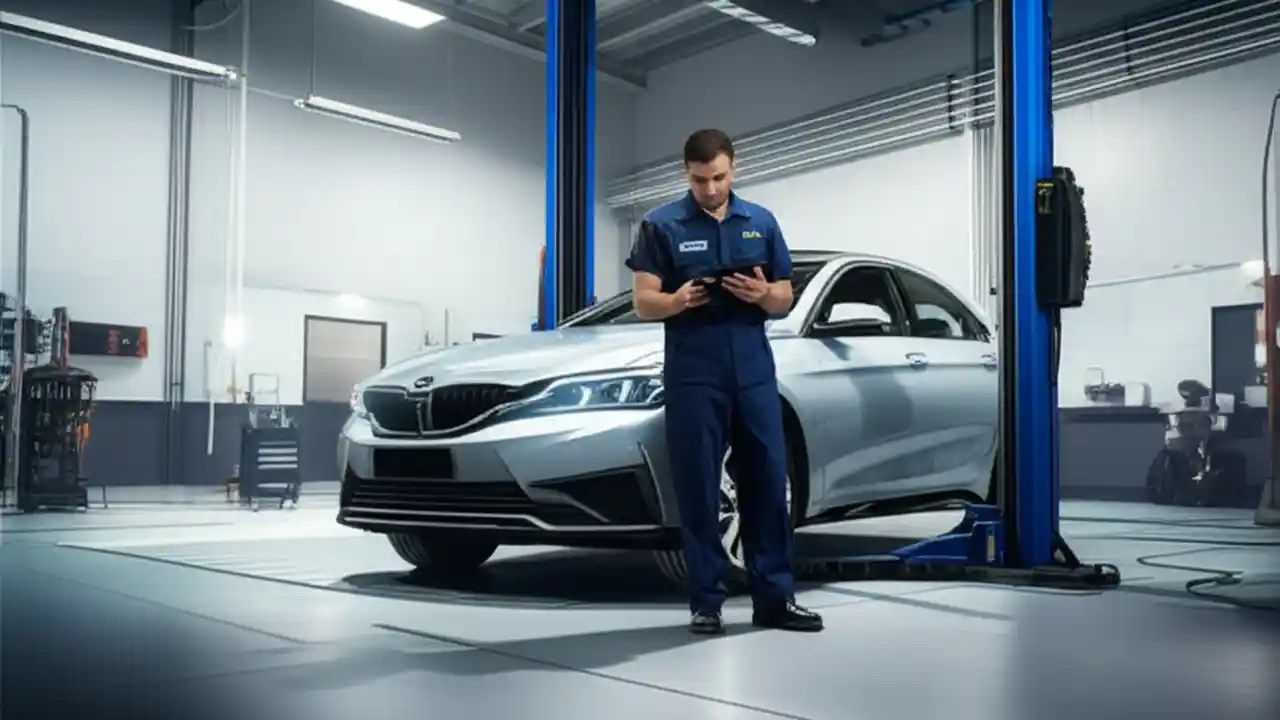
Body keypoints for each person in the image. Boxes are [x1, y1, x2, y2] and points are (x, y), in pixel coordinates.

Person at [625, 128, 823, 634]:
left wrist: (762, 294)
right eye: (699, 180)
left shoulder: (760, 221)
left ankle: (775, 600)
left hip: (754, 369)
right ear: (685, 173)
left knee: (767, 483)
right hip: (694, 371)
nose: (710, 189)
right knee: (698, 487)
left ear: (733, 168)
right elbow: (642, 299)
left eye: (717, 177)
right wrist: (676, 301)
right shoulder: (660, 224)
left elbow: (784, 297)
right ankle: (706, 602)